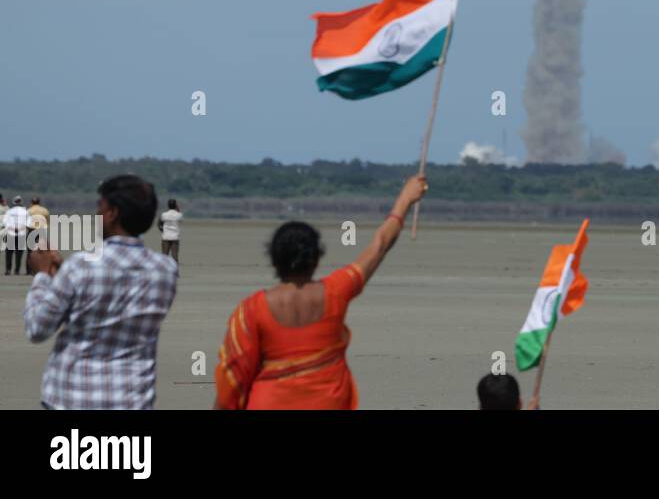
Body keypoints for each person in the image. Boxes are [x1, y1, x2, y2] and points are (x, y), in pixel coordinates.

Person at [214, 174, 427, 410]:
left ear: (275, 262)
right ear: (316, 259)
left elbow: (232, 379)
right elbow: (380, 245)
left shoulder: (251, 310)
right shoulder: (336, 291)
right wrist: (406, 199)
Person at [25, 175, 178, 409]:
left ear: (112, 213)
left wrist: (42, 276)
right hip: (132, 399)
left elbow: (38, 328)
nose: (96, 213)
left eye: (100, 205)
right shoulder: (165, 271)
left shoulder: (81, 266)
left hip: (72, 399)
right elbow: (110, 296)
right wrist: (62, 274)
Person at [4, 196, 29, 275]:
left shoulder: (9, 211)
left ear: (13, 202)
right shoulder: (25, 212)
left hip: (11, 233)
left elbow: (5, 222)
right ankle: (17, 270)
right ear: (21, 202)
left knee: (9, 253)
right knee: (19, 254)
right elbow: (29, 223)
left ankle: (8, 269)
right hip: (21, 234)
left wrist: (11, 228)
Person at [26, 198, 51, 274]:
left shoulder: (28, 211)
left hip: (31, 231)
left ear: (32, 202)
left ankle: (29, 270)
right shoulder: (44, 210)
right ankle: (42, 269)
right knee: (43, 252)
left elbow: (26, 222)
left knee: (30, 252)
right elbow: (47, 222)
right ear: (39, 202)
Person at [158, 199, 182, 265]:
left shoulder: (163, 215)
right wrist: (178, 209)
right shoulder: (179, 215)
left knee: (165, 255)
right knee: (175, 256)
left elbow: (159, 225)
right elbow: (180, 219)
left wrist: (163, 231)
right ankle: (175, 269)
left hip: (165, 236)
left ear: (168, 205)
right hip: (175, 237)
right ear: (175, 205)